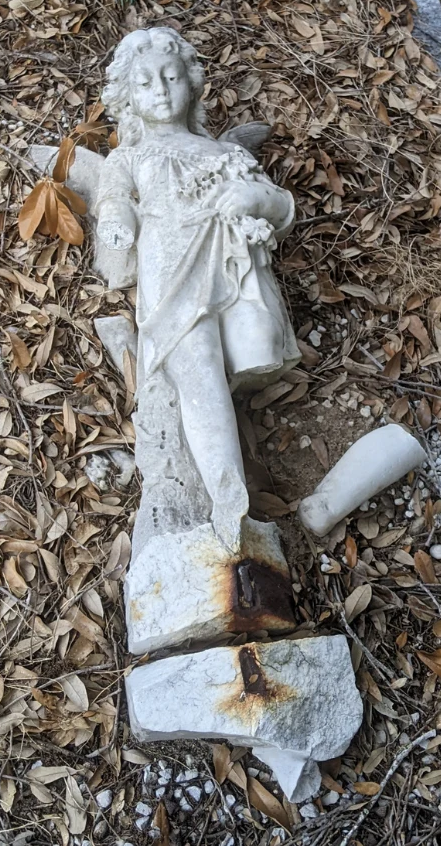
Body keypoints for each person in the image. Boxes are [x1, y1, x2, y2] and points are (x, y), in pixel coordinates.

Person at [96, 27, 298, 550]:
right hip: (169, 261)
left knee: (249, 343)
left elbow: (282, 207)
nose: (160, 90)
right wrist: (117, 223)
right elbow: (112, 198)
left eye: (170, 77)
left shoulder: (220, 154)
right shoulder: (131, 156)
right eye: (145, 83)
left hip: (228, 265)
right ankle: (229, 505)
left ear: (191, 81)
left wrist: (253, 199)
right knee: (197, 366)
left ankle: (229, 502)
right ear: (128, 96)